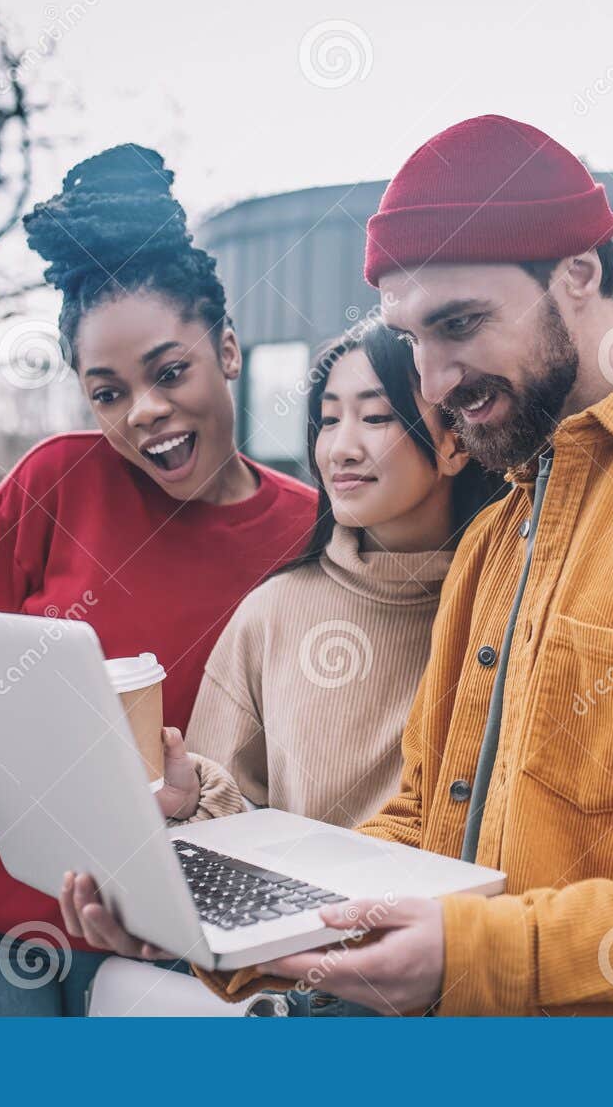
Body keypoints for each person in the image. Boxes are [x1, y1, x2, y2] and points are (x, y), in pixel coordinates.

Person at [65, 114, 613, 1016]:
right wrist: (212, 921)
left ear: (579, 272)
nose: (435, 378)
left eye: (460, 323)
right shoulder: (500, 534)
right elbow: (424, 823)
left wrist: (480, 953)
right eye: (413, 336)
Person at [0, 143, 318, 1016]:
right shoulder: (55, 481)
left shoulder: (312, 531)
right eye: (109, 392)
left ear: (230, 350)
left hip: (159, 925)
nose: (146, 413)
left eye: (170, 372)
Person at [82, 320, 505, 1016]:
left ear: (456, 441)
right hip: (307, 997)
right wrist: (162, 868)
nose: (341, 446)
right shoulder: (274, 612)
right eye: (327, 419)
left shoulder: (512, 606)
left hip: (472, 991)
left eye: (374, 416)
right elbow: (211, 828)